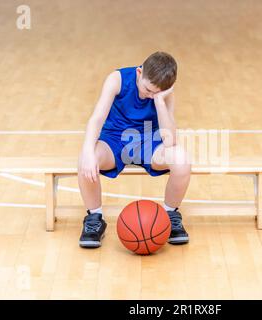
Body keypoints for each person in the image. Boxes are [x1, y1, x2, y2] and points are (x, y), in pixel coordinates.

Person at [77, 51, 191, 248]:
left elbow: (169, 140)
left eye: (156, 92)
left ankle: (170, 214)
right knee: (87, 158)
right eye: (147, 89)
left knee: (181, 159)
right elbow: (96, 119)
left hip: (150, 141)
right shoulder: (116, 79)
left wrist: (160, 102)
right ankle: (94, 218)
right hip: (114, 140)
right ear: (139, 72)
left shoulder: (164, 95)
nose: (149, 95)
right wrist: (87, 152)